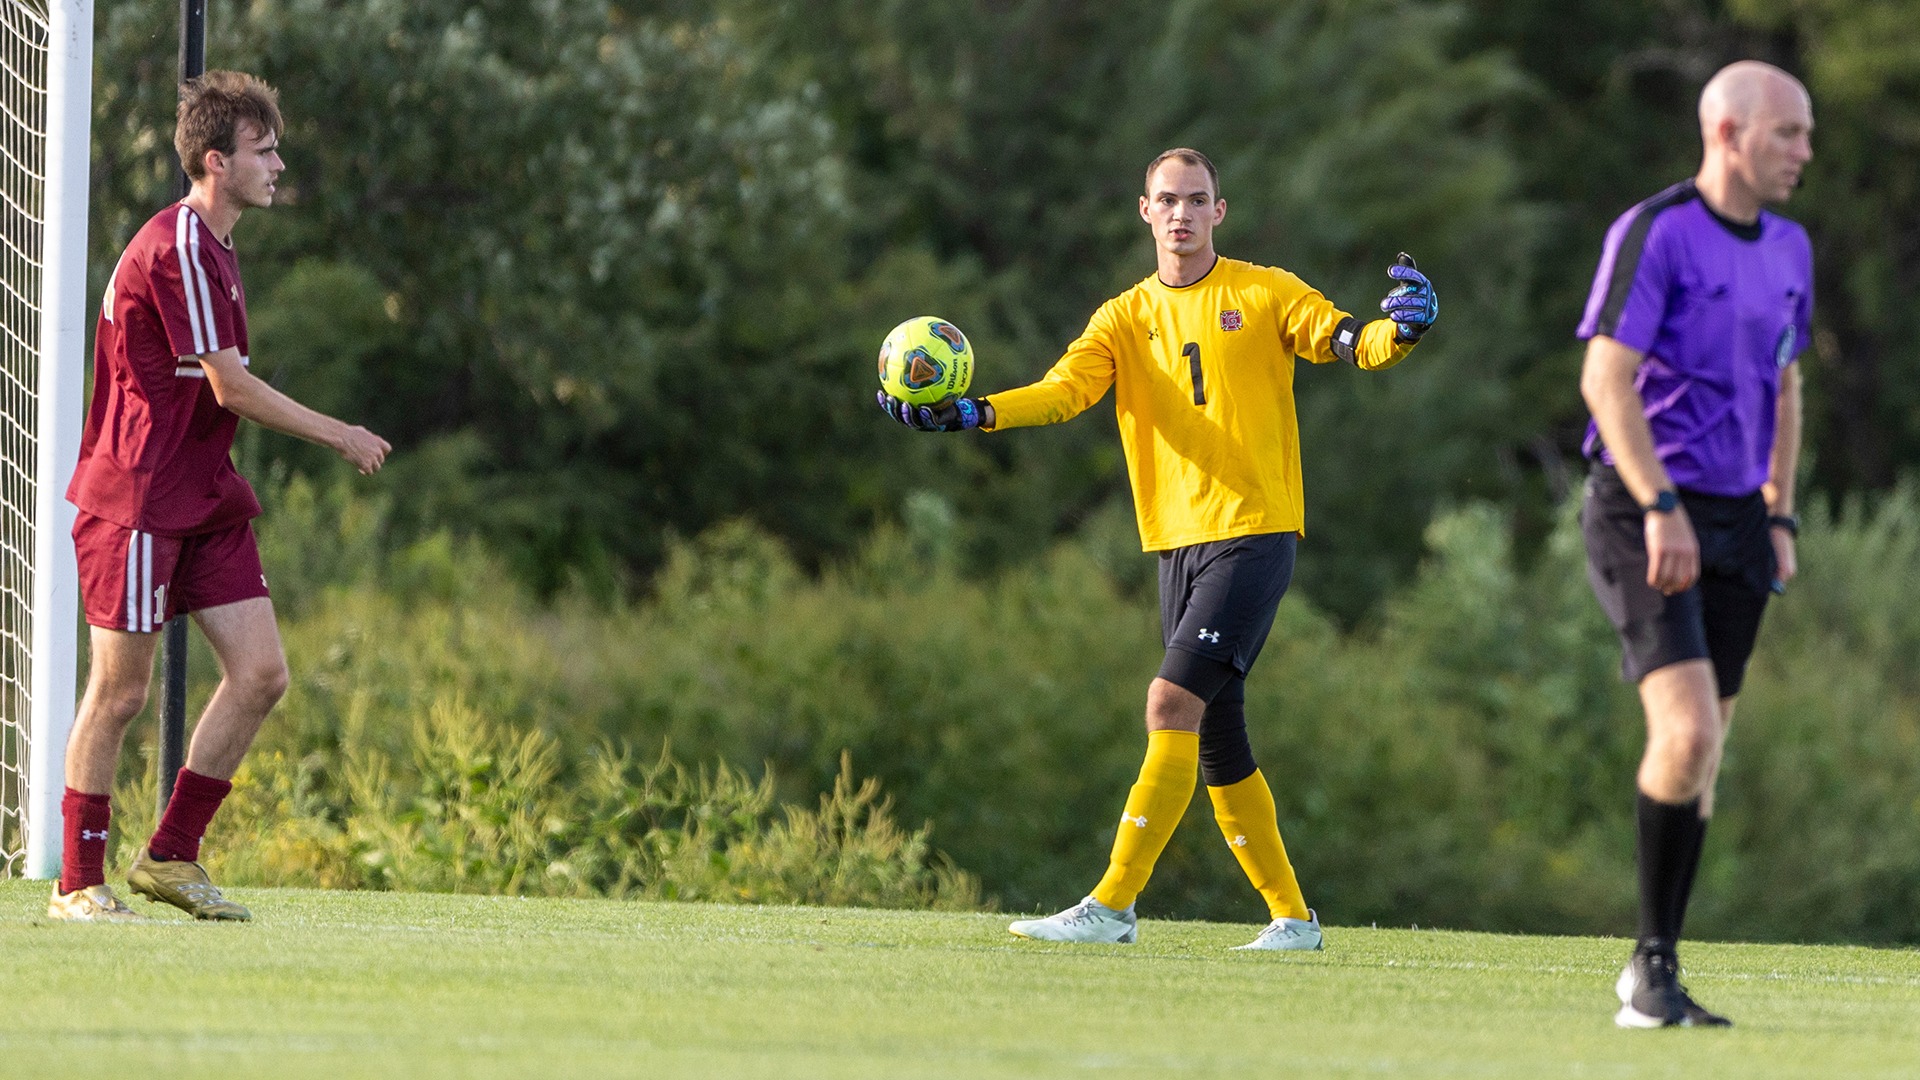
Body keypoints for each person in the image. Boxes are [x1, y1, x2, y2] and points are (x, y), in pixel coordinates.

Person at [879, 148, 1436, 950]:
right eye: (1166, 200)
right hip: (1177, 545)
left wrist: (1403, 331)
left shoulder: (1265, 290)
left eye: (1196, 200)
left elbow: (1351, 340)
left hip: (1253, 531)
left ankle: (1111, 906)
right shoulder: (1122, 318)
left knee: (1169, 704)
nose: (1181, 213)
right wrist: (973, 413)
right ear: (1145, 211)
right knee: (1218, 739)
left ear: (1220, 211)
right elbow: (1063, 393)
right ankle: (1293, 919)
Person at [48, 71, 391, 922]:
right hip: (136, 496)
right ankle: (76, 884)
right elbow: (232, 389)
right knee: (120, 694)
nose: (278, 164)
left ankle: (169, 856)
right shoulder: (180, 248)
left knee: (263, 674)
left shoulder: (219, 246)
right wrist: (338, 432)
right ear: (215, 162)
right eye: (263, 150)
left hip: (200, 494)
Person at [1575, 60, 1813, 1027]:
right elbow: (1605, 379)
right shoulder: (1658, 231)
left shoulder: (1793, 245)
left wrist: (1781, 512)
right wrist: (1661, 503)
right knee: (1688, 735)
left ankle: (1654, 969)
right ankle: (1652, 971)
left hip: (1738, 520)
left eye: (1806, 134)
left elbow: (1789, 386)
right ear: (1728, 134)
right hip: (1645, 510)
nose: (1803, 151)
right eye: (1788, 133)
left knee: (1702, 757)